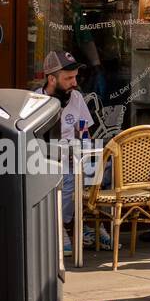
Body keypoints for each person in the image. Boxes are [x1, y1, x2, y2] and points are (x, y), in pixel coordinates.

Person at [40, 50, 106, 254]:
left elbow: (84, 131)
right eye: (69, 78)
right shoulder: (35, 101)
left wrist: (86, 152)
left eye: (75, 77)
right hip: (45, 161)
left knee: (104, 172)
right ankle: (61, 227)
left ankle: (90, 225)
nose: (75, 83)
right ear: (52, 78)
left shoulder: (76, 97)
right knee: (70, 178)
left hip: (74, 157)